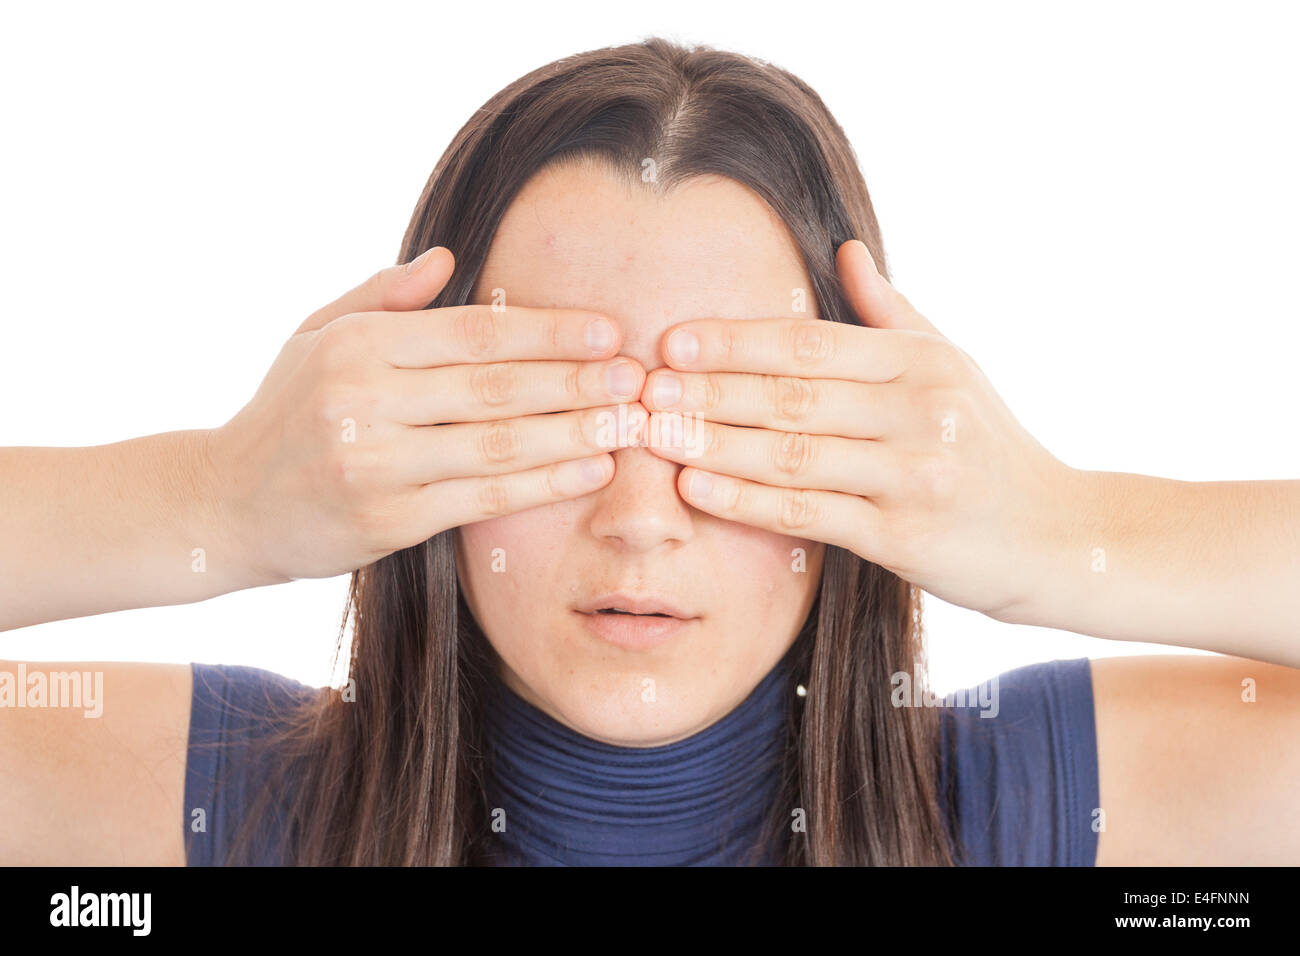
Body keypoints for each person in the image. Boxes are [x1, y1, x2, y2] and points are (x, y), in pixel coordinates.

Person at [1, 38, 1297, 866]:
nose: (638, 517)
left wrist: (1066, 531)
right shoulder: (217, 798)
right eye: (546, 413)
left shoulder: (1030, 805)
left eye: (733, 417)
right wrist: (212, 499)